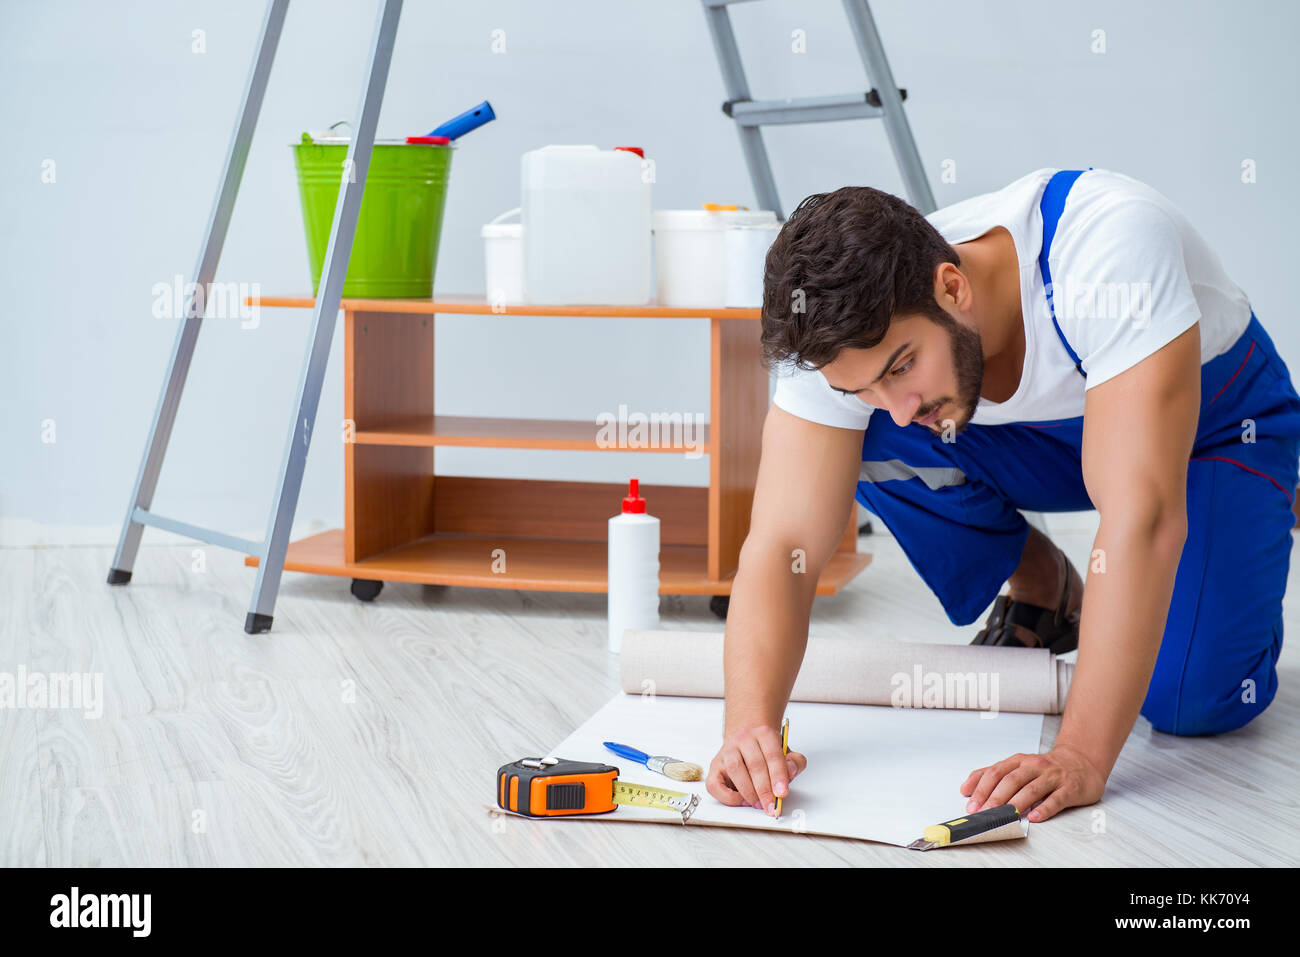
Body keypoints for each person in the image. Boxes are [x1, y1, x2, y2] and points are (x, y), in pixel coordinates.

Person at [706, 168, 1300, 823]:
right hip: (1052, 442)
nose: (895, 407)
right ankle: (1046, 585)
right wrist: (749, 726)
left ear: (952, 286)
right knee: (867, 440)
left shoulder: (1107, 247)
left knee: (1191, 697)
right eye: (863, 386)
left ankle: (1265, 505)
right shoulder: (841, 337)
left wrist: (1079, 754)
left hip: (1213, 431)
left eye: (901, 365)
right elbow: (784, 538)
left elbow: (1143, 518)